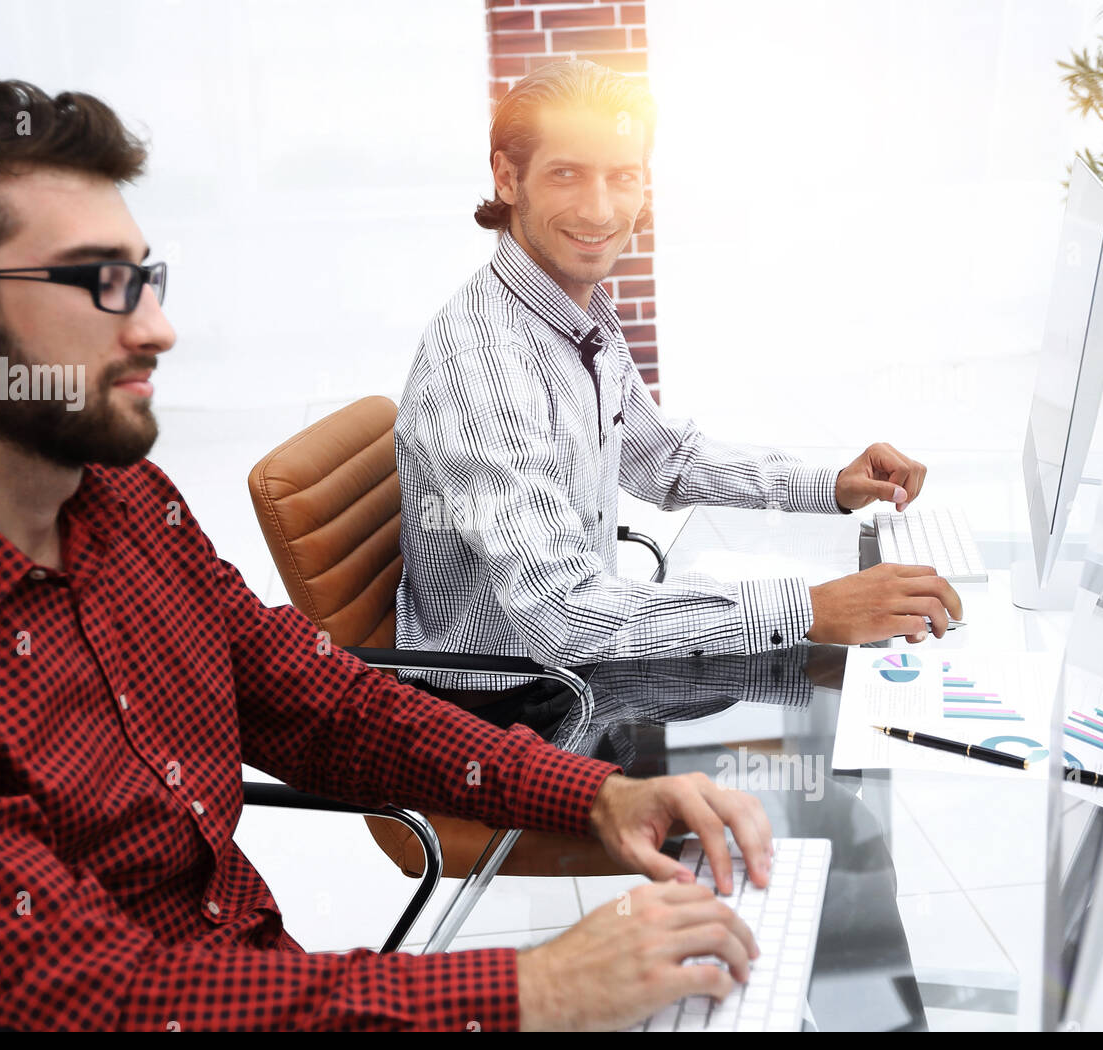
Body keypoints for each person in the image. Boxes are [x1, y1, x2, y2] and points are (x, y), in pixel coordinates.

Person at [0, 78, 772, 1032]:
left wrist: (598, 792)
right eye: (98, 282)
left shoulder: (120, 500)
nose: (157, 328)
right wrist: (534, 988)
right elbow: (95, 998)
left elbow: (322, 700)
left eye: (145, 279)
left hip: (266, 986)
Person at [395, 60, 963, 684]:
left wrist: (831, 484)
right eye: (566, 175)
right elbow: (563, 616)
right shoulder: (483, 362)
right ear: (508, 177)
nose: (600, 210)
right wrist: (809, 609)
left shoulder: (570, 307)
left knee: (843, 698)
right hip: (522, 709)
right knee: (825, 727)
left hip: (585, 659)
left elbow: (664, 460)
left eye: (623, 177)